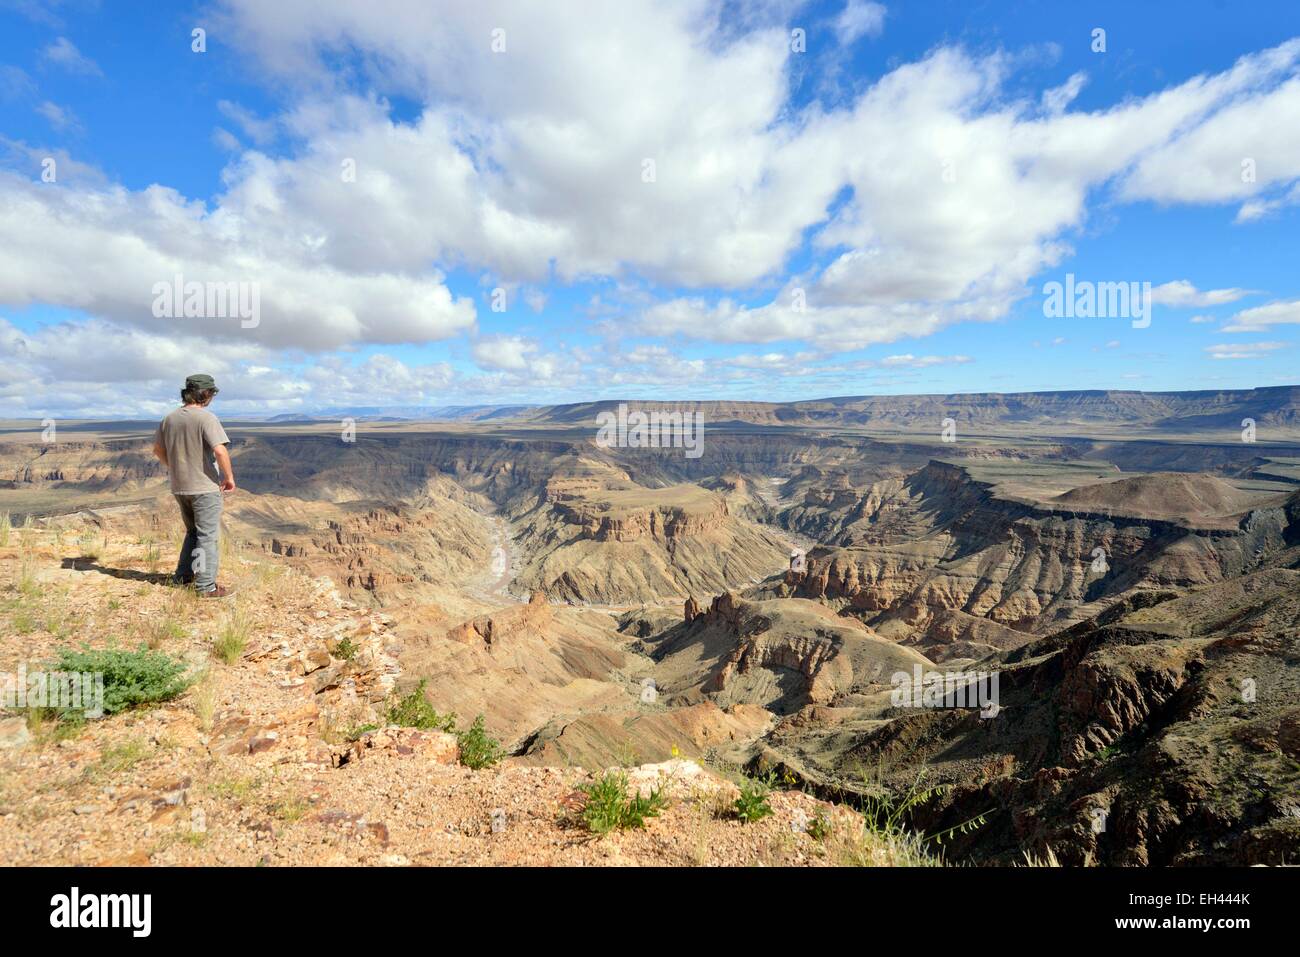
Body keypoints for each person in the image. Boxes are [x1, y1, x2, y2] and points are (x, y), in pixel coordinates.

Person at [152, 374, 236, 597]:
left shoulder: (169, 419)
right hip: (204, 487)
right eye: (212, 393)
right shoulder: (206, 418)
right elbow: (220, 450)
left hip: (179, 486)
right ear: (206, 394)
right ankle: (206, 587)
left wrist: (177, 467)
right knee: (207, 536)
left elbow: (158, 451)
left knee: (192, 533)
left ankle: (183, 577)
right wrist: (228, 478)